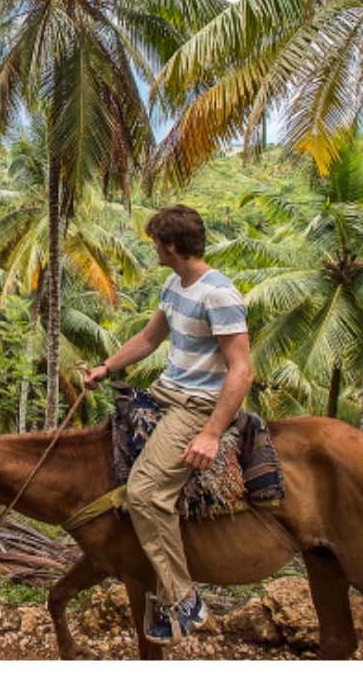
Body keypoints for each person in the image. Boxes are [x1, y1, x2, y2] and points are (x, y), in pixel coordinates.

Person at [82, 204, 252, 643]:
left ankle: (183, 598)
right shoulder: (175, 283)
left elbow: (241, 371)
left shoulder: (220, 294)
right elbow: (148, 339)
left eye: (157, 243)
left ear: (172, 246)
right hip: (165, 391)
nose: (153, 250)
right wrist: (106, 366)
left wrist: (211, 433)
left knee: (144, 493)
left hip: (195, 406)